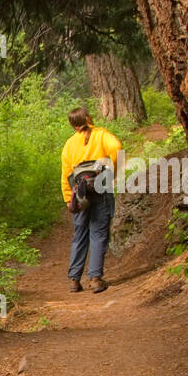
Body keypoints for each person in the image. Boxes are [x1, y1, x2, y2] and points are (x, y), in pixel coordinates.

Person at [60, 106, 121, 293]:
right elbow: (117, 148)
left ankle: (74, 280)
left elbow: (66, 174)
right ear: (88, 118)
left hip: (79, 194)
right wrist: (112, 174)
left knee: (79, 236)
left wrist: (68, 198)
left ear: (73, 125)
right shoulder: (101, 135)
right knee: (98, 234)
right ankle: (95, 279)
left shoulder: (69, 144)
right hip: (100, 190)